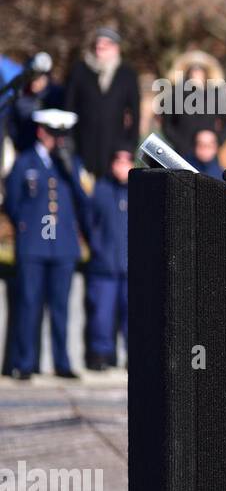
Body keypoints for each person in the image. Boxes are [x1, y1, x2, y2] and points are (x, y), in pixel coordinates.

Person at [3, 109, 92, 379]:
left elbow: (83, 201)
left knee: (60, 308)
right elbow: (13, 203)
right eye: (56, 134)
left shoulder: (70, 162)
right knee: (29, 305)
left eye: (64, 134)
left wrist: (70, 170)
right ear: (42, 132)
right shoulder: (25, 162)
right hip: (33, 246)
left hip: (63, 246)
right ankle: (25, 363)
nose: (60, 140)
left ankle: (62, 362)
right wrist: (27, 227)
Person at [63, 27, 139, 178]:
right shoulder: (80, 71)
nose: (100, 47)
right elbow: (68, 107)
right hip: (82, 146)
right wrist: (68, 140)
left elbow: (135, 114)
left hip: (113, 147)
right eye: (98, 43)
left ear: (116, 48)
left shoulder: (127, 74)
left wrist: (129, 147)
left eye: (106, 44)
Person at [84, 143, 131, 370]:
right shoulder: (101, 190)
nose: (122, 167)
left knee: (133, 317)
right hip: (104, 266)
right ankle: (100, 355)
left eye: (126, 161)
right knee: (101, 315)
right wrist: (97, 247)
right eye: (118, 161)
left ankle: (134, 356)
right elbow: (89, 222)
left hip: (131, 266)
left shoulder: (140, 190)